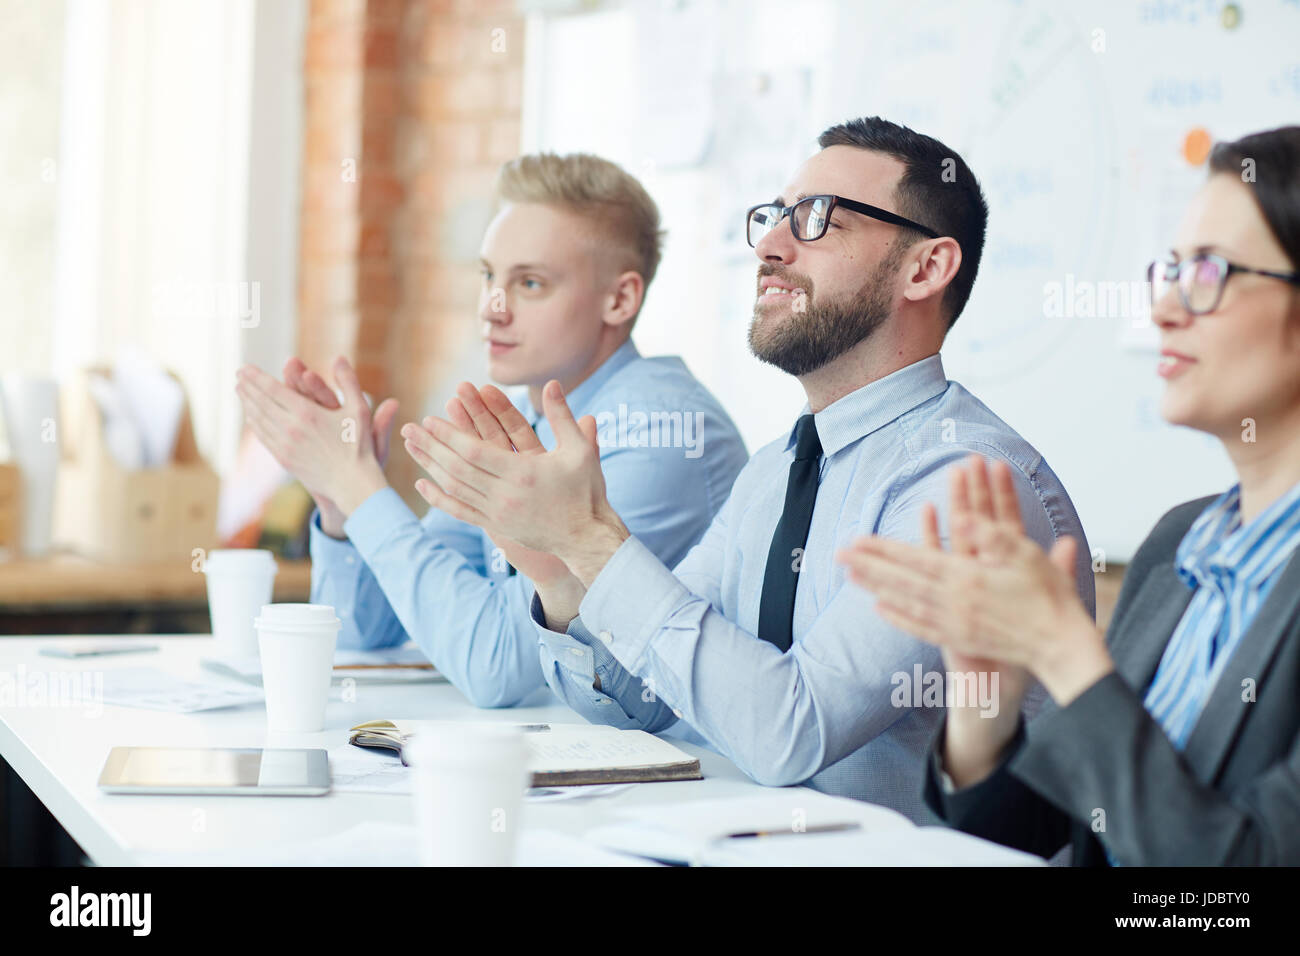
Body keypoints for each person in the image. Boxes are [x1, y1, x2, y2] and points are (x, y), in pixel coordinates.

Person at [400, 117, 1095, 821]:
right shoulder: (776, 471)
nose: (769, 245)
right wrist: (556, 574)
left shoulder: (962, 482)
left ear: (925, 268)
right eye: (774, 217)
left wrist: (589, 541)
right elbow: (642, 698)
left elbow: (790, 732)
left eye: (818, 220)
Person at [838, 126, 1300, 863]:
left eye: (1210, 273)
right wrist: (985, 706)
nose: (1166, 310)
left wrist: (1064, 655)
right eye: (1170, 271)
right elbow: (1053, 832)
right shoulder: (1180, 544)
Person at [235, 152, 748, 707]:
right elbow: (366, 630)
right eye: (488, 276)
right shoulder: (525, 420)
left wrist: (362, 490)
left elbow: (496, 662)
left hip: (676, 780)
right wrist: (339, 506)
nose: (491, 310)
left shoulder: (658, 434)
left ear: (619, 299)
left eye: (529, 282)